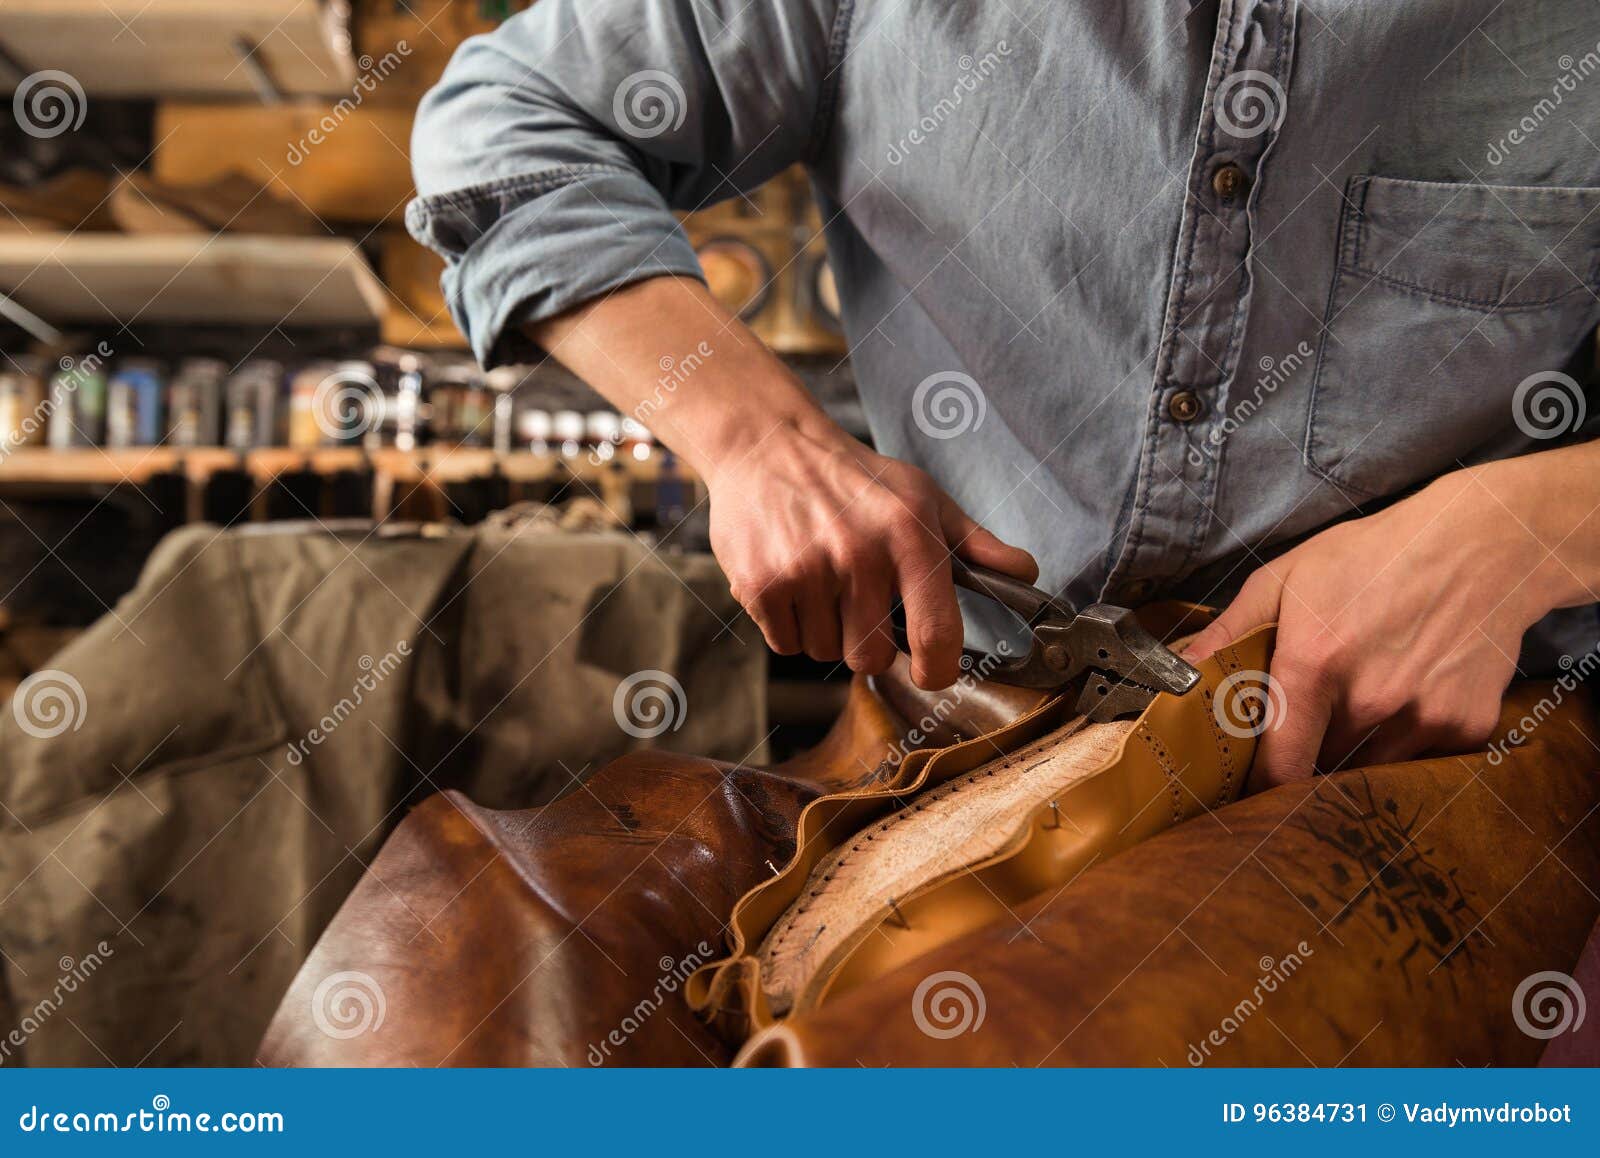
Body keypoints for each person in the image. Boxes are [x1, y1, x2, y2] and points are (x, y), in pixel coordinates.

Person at [406, 0, 1600, 787]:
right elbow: (508, 123)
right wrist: (759, 444)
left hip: (1475, 756)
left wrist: (1522, 528)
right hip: (961, 743)